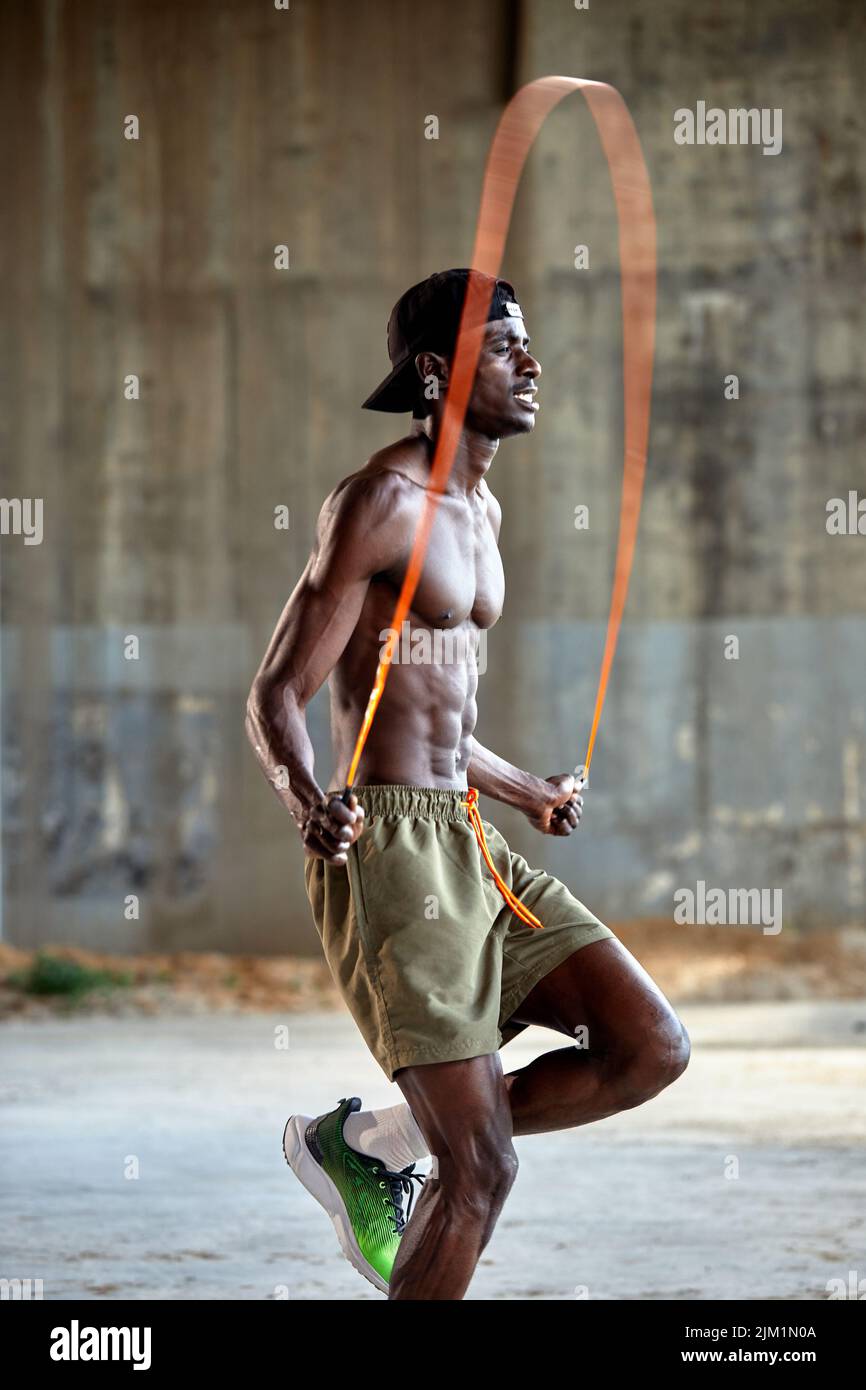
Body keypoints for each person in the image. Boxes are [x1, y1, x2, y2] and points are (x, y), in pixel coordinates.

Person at [245, 269, 690, 1300]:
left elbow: (437, 715)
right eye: (504, 348)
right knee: (481, 1167)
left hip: (470, 840)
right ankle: (412, 1145)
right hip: (392, 855)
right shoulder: (379, 501)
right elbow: (277, 691)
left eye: (526, 345)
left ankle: (373, 1141)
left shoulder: (481, 512)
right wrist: (308, 804)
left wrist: (523, 786)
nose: (530, 363)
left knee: (647, 1046)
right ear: (437, 373)